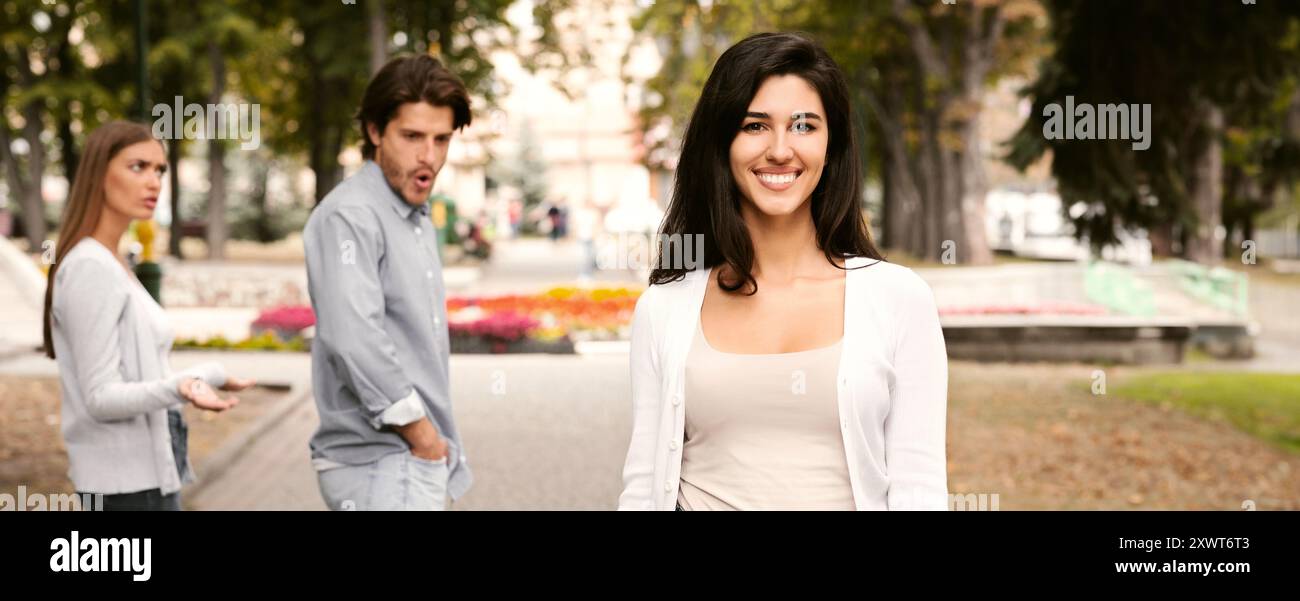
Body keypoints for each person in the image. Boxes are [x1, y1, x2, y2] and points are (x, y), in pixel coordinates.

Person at [618, 32, 950, 511]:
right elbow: (643, 485)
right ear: (722, 142)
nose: (779, 149)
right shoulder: (665, 307)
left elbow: (919, 489)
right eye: (755, 126)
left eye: (803, 126)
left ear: (831, 144)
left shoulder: (899, 299)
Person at [43, 121, 254, 511]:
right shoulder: (90, 267)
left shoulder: (113, 262)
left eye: (160, 170)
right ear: (98, 173)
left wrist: (210, 374)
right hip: (124, 491)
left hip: (145, 481)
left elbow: (141, 373)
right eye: (138, 167)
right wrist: (181, 387)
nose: (154, 182)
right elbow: (100, 397)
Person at [304, 54, 473, 511]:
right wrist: (423, 437)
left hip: (408, 461)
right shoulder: (352, 215)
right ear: (375, 132)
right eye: (412, 136)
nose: (429, 156)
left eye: (441, 139)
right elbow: (352, 337)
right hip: (382, 462)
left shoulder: (412, 217)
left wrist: (433, 450)